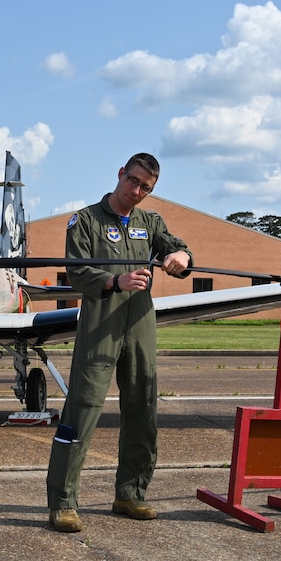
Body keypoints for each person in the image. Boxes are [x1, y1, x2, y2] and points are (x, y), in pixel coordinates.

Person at [47, 152, 192, 533]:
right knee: (83, 409)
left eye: (146, 187)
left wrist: (181, 255)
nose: (137, 191)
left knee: (143, 407)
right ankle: (63, 502)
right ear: (120, 174)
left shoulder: (150, 222)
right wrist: (115, 281)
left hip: (140, 324)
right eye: (133, 181)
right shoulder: (86, 220)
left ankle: (131, 493)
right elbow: (77, 272)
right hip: (101, 324)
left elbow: (177, 250)